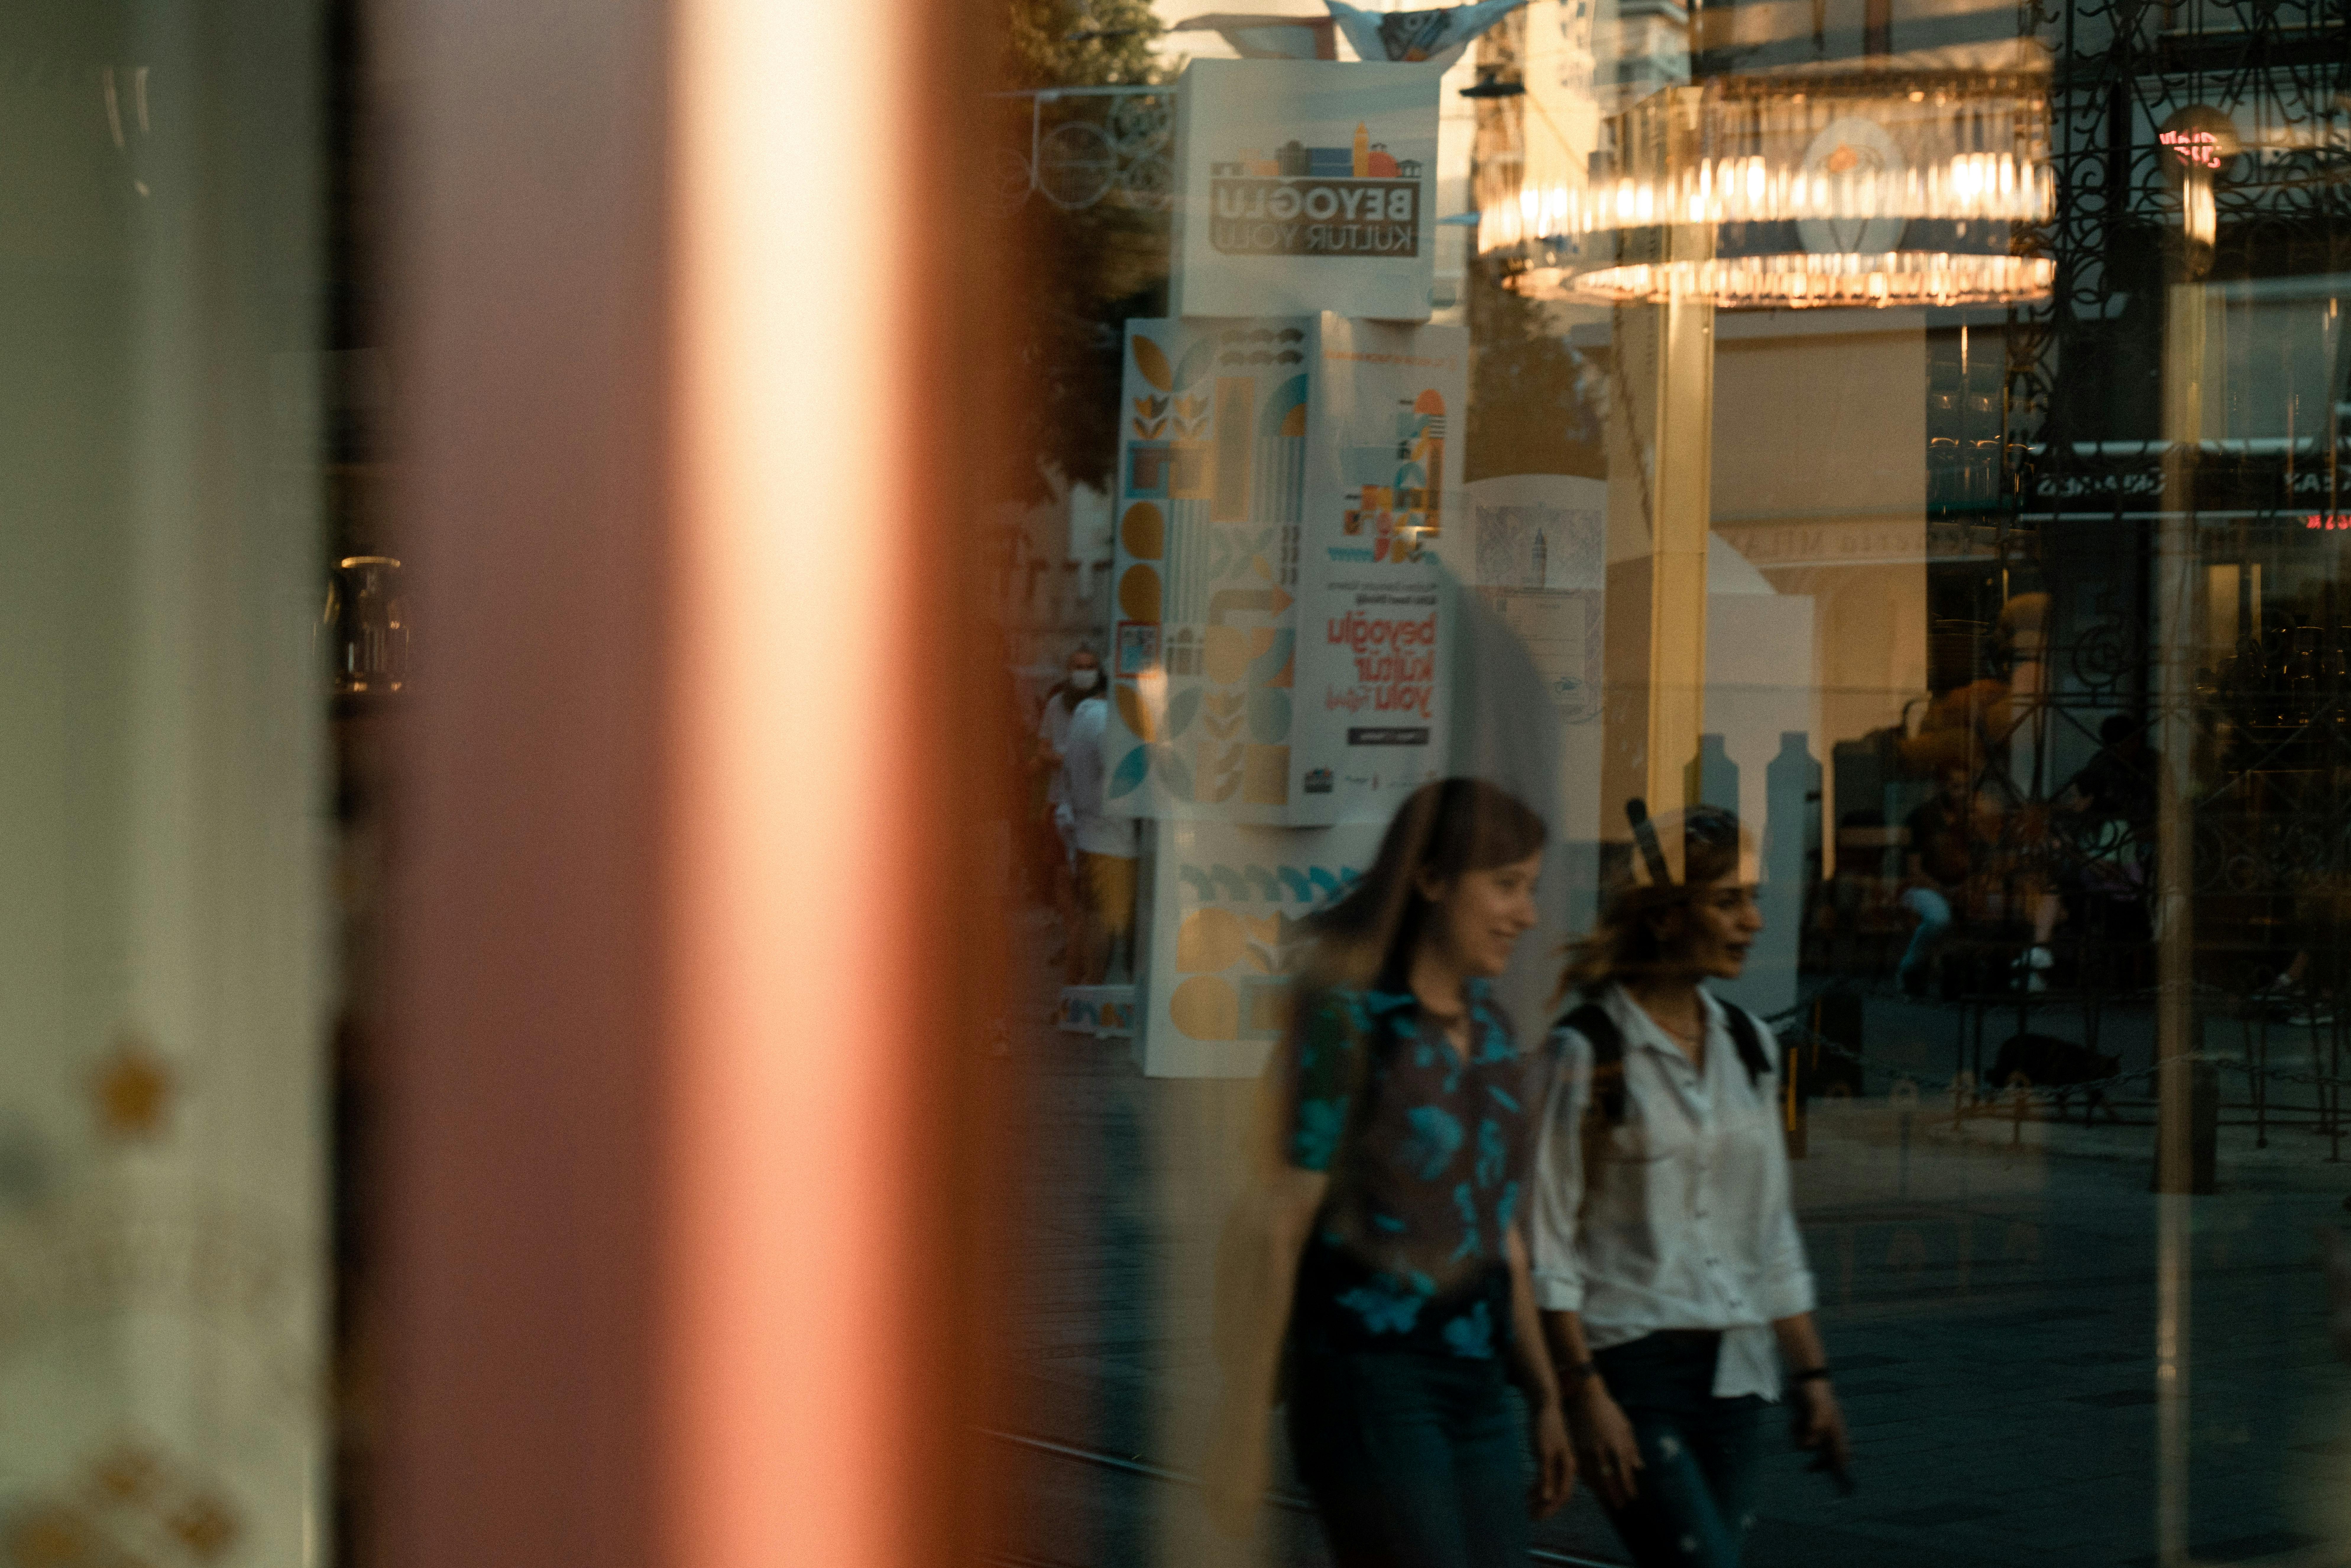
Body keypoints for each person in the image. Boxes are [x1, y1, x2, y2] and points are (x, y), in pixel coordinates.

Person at [1207, 778, 1574, 1566]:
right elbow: (1283, 1219)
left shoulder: (1496, 1032)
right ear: (1431, 879)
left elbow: (1499, 1234)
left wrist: (1546, 1395)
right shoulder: (1348, 1018)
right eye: (1506, 885)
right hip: (1373, 1379)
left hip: (1479, 1389)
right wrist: (1241, 1425)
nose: (1527, 915)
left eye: (1532, 889)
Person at [1531, 803, 1849, 1568]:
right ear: (1666, 917)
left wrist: (1810, 1373)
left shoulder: (1749, 1044)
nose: (1753, 922)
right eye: (1728, 901)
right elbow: (1545, 1242)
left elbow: (1769, 1229)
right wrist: (1581, 1393)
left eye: (1754, 899)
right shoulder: (1586, 1053)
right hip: (1632, 1372)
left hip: (1737, 1376)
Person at [1057, 679, 1136, 984]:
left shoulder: (1085, 714)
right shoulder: (1106, 724)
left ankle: (1075, 993)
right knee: (1100, 926)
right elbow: (1122, 775)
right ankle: (1089, 990)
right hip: (1111, 841)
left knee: (1086, 919)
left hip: (1089, 836)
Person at [1032, 646, 1103, 966]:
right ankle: (1072, 937)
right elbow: (1042, 748)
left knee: (1087, 880)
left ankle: (1083, 944)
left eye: (1090, 666)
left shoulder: (1104, 706)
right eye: (1078, 666)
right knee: (1062, 877)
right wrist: (1063, 760)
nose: (1084, 672)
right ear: (1068, 670)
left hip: (1092, 807)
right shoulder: (1056, 705)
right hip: (1059, 799)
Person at [1897, 764, 1976, 997]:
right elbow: (1914, 873)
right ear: (1940, 787)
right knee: (1939, 917)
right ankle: (1911, 967)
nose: (1961, 793)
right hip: (1922, 889)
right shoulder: (1921, 818)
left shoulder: (1968, 820)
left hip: (1958, 888)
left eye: (1966, 787)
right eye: (1955, 786)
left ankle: (1957, 974)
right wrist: (1945, 890)